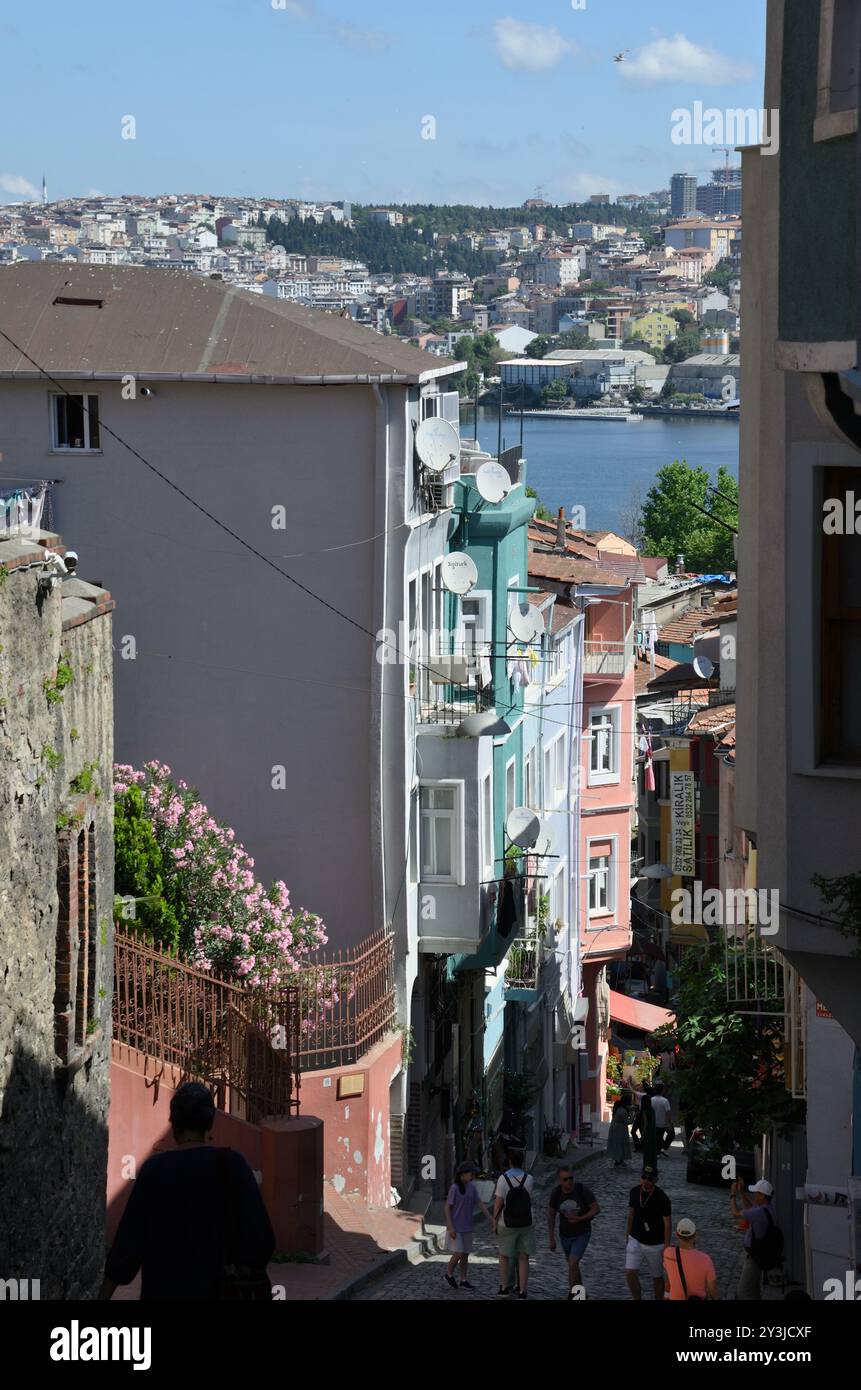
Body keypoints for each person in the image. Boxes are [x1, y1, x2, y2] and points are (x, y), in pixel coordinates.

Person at [100, 1082, 275, 1300]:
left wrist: (102, 1296)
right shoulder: (232, 1165)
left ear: (173, 1123)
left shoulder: (154, 1170)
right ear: (209, 1122)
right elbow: (261, 1242)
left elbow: (128, 1246)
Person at [548, 1165, 600, 1299]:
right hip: (565, 1235)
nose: (569, 1182)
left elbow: (596, 1209)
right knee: (573, 1266)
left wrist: (580, 1218)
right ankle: (582, 1293)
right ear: (560, 1181)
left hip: (582, 1233)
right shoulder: (556, 1193)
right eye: (565, 1179)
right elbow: (551, 1215)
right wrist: (551, 1238)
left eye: (571, 1178)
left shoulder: (582, 1190)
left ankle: (573, 1295)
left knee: (572, 1263)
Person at [492, 1146, 535, 1299]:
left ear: (509, 1161)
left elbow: (498, 1203)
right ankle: (523, 1290)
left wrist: (494, 1221)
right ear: (522, 1162)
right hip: (526, 1222)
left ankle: (504, 1287)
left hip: (506, 1222)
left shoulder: (503, 1179)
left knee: (504, 1255)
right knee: (523, 1256)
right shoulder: (529, 1179)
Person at [625, 1166, 671, 1300]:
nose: (645, 1181)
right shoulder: (634, 1192)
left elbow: (668, 1223)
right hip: (635, 1239)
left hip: (655, 1244)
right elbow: (631, 1215)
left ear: (656, 1180)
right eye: (643, 1177)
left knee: (657, 1277)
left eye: (649, 1179)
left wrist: (666, 1247)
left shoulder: (662, 1198)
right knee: (630, 1273)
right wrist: (627, 1235)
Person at [443, 1161, 491, 1291]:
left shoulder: (472, 1187)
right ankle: (448, 1273)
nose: (472, 1176)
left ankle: (463, 1279)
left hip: (467, 1226)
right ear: (462, 1174)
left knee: (465, 1254)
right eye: (471, 1173)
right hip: (456, 1227)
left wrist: (490, 1218)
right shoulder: (454, 1188)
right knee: (458, 1253)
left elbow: (480, 1203)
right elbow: (447, 1207)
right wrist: (450, 1226)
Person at [731, 1178, 779, 1300]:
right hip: (760, 1255)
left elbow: (735, 1213)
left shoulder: (759, 1212)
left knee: (743, 1291)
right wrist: (741, 1192)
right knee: (753, 1289)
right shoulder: (767, 1208)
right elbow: (750, 1208)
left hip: (754, 1258)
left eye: (756, 1193)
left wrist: (733, 1194)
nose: (754, 1195)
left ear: (762, 1195)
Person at [663, 1218, 719, 1301]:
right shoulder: (705, 1259)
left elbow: (669, 1281)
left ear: (677, 1235)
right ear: (695, 1236)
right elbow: (712, 1289)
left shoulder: (668, 1253)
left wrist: (666, 1297)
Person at [606, 1096, 633, 1167]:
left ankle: (618, 1160)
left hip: (615, 1128)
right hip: (620, 1129)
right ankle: (619, 1161)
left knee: (616, 1144)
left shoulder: (618, 1108)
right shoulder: (623, 1111)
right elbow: (628, 1121)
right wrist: (632, 1114)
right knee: (620, 1143)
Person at [650, 1082, 674, 1154]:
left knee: (658, 1137)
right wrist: (669, 1123)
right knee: (671, 1134)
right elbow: (668, 1113)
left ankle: (660, 1149)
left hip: (654, 1123)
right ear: (663, 1090)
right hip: (663, 1123)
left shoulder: (651, 1099)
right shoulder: (665, 1101)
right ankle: (663, 1148)